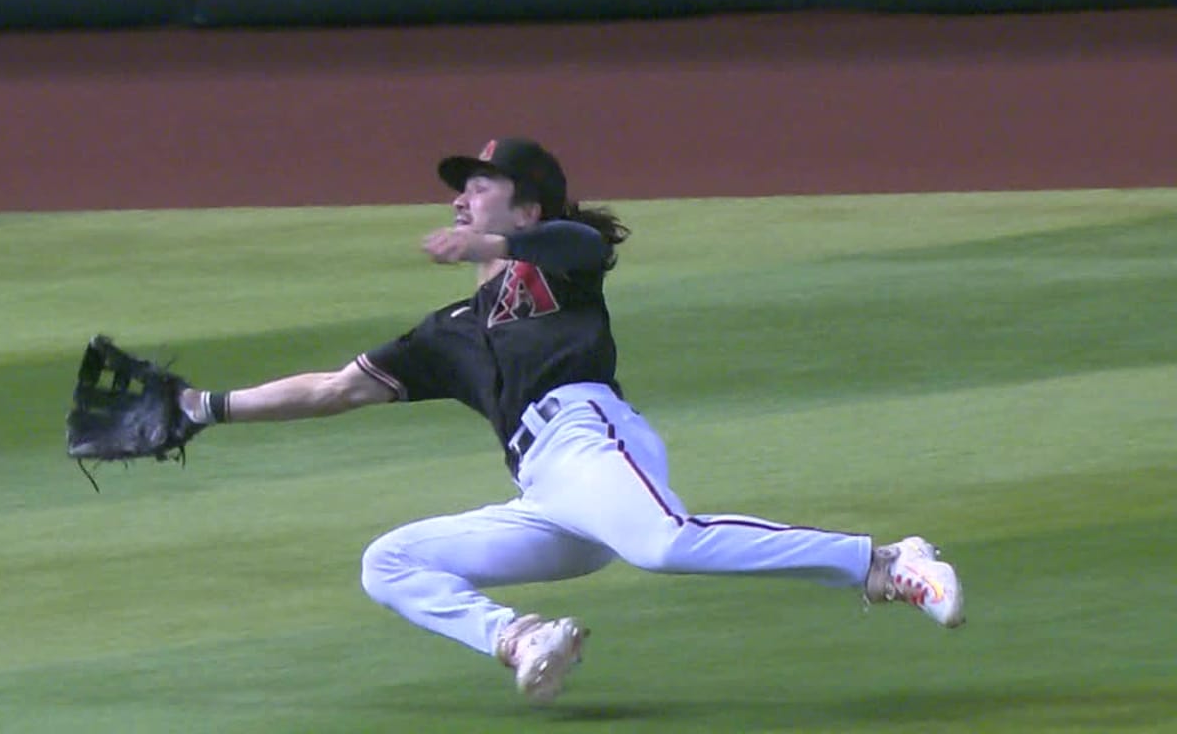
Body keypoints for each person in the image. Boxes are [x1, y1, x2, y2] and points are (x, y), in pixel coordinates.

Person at [177, 137, 965, 704]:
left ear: (525, 204)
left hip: (590, 435)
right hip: (549, 494)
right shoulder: (449, 328)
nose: (461, 195)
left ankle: (887, 561)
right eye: (464, 187)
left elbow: (580, 238)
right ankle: (520, 638)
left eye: (481, 185)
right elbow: (332, 389)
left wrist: (492, 240)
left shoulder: (556, 263)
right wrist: (202, 408)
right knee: (389, 562)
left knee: (664, 543)